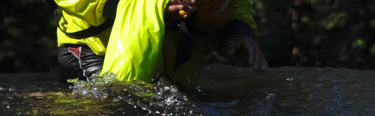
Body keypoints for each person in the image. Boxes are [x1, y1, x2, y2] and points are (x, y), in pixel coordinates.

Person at [56, 0, 267, 88]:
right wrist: (158, 7)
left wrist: (237, 30)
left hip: (175, 64)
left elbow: (231, 4)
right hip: (95, 50)